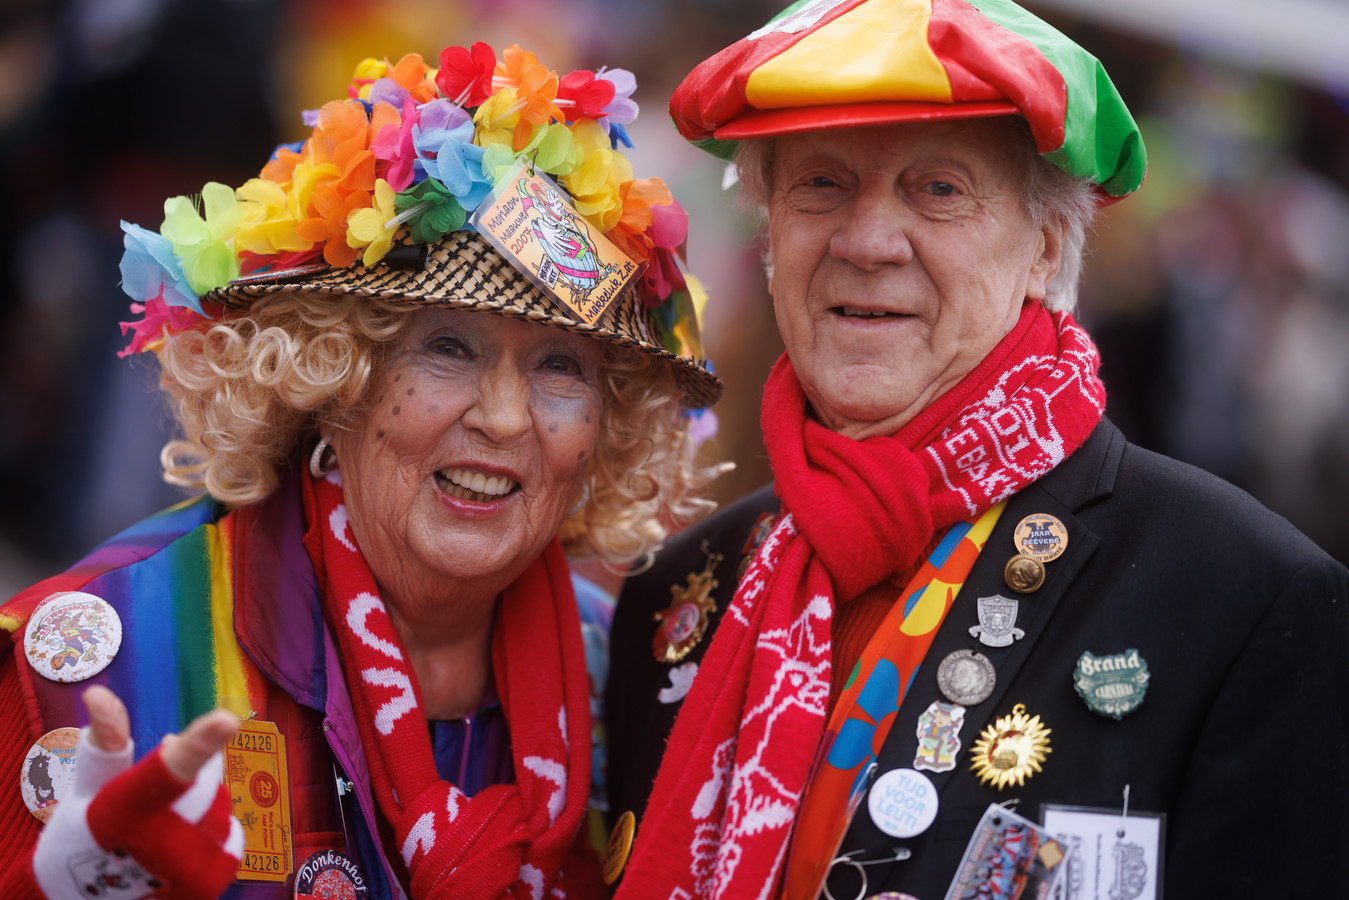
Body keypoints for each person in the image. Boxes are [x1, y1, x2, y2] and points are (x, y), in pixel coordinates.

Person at [604, 2, 1349, 898]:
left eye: (938, 189)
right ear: (770, 241)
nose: (866, 240)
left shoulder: (1250, 599)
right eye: (820, 185)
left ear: (1043, 248)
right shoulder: (676, 594)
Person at [0, 41, 723, 900]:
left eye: (560, 366)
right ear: (330, 375)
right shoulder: (95, 661)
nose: (503, 415)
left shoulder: (643, 681)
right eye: (447, 347)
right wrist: (68, 882)